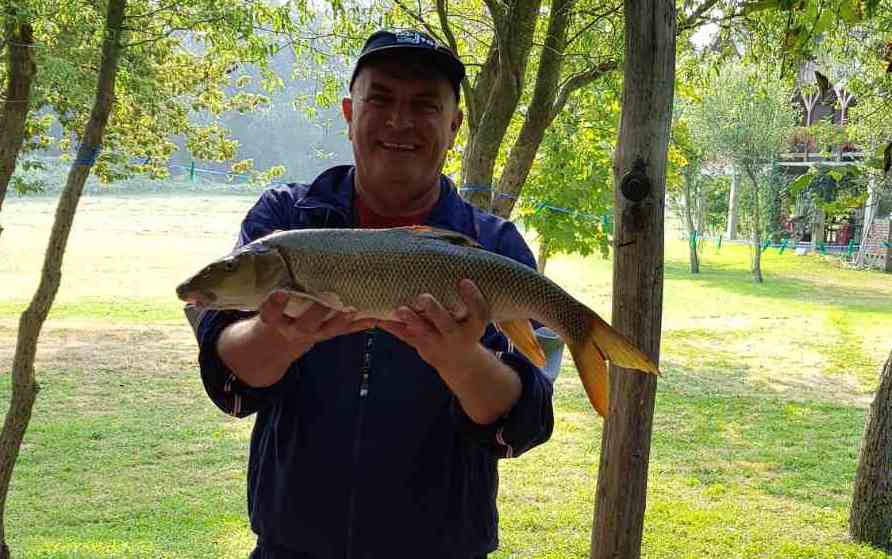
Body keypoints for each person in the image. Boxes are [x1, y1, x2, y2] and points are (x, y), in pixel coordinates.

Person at [192, 29, 554, 559]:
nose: (399, 122)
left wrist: (460, 360)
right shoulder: (284, 221)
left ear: (454, 125)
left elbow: (525, 421)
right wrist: (277, 334)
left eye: (425, 105)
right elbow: (230, 383)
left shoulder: (494, 247)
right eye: (380, 99)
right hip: (290, 546)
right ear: (348, 111)